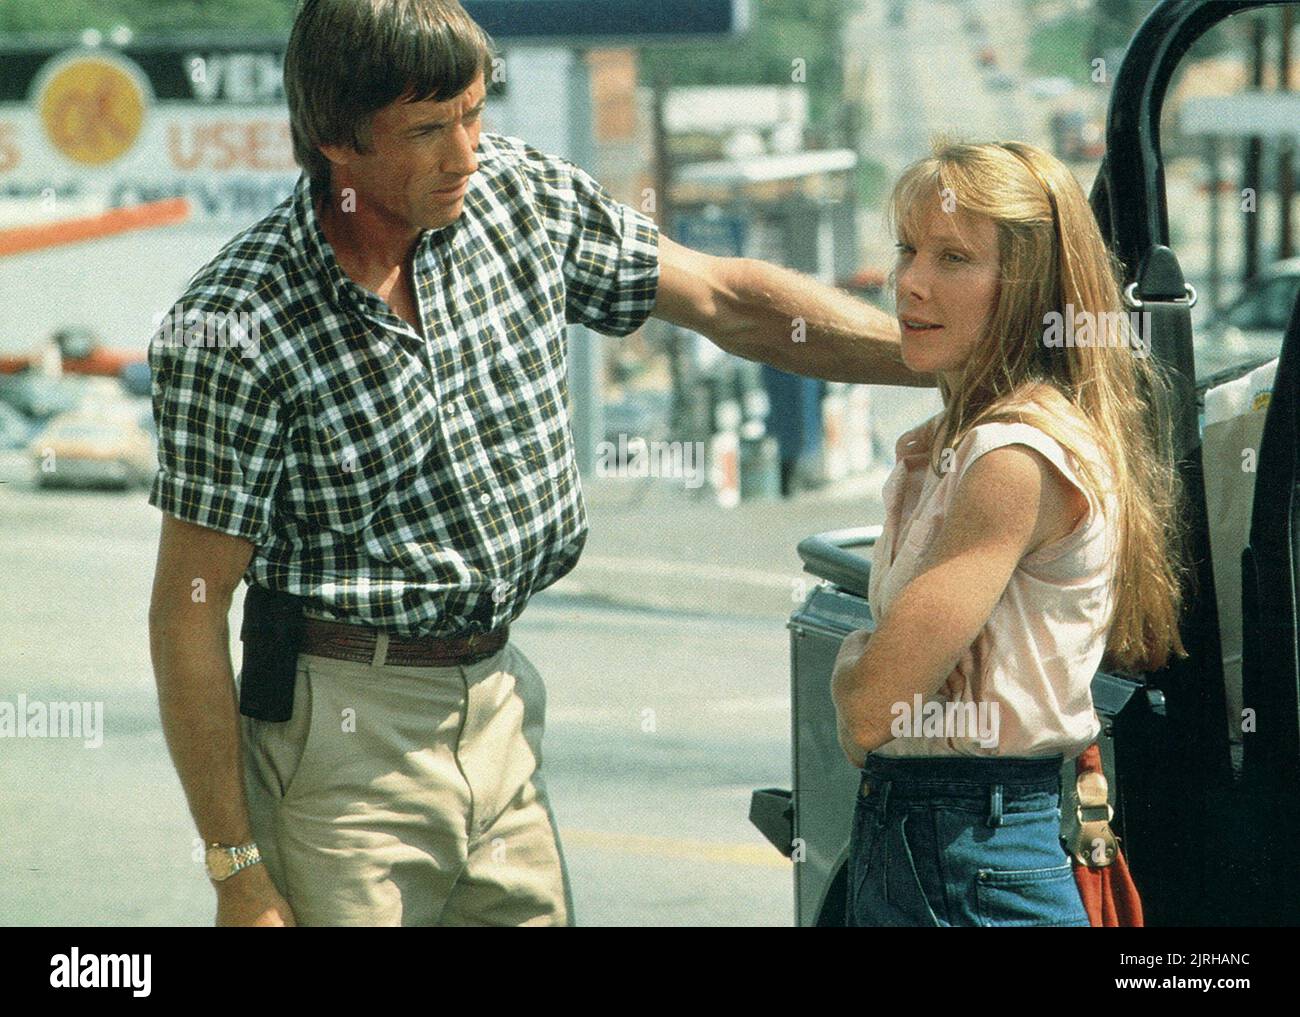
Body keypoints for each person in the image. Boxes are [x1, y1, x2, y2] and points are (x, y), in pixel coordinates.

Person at [146, 0, 928, 927]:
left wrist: (942, 357)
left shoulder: (517, 199)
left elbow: (727, 301)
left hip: (503, 703)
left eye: (475, 112)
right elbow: (187, 613)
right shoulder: (239, 320)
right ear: (335, 142)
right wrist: (237, 871)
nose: (465, 151)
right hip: (340, 739)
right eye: (428, 129)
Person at [829, 138, 1188, 927]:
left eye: (954, 258)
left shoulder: (1014, 459)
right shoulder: (958, 444)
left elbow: (870, 708)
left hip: (963, 856)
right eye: (908, 248)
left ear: (1027, 292)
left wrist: (851, 663)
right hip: (939, 842)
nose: (910, 282)